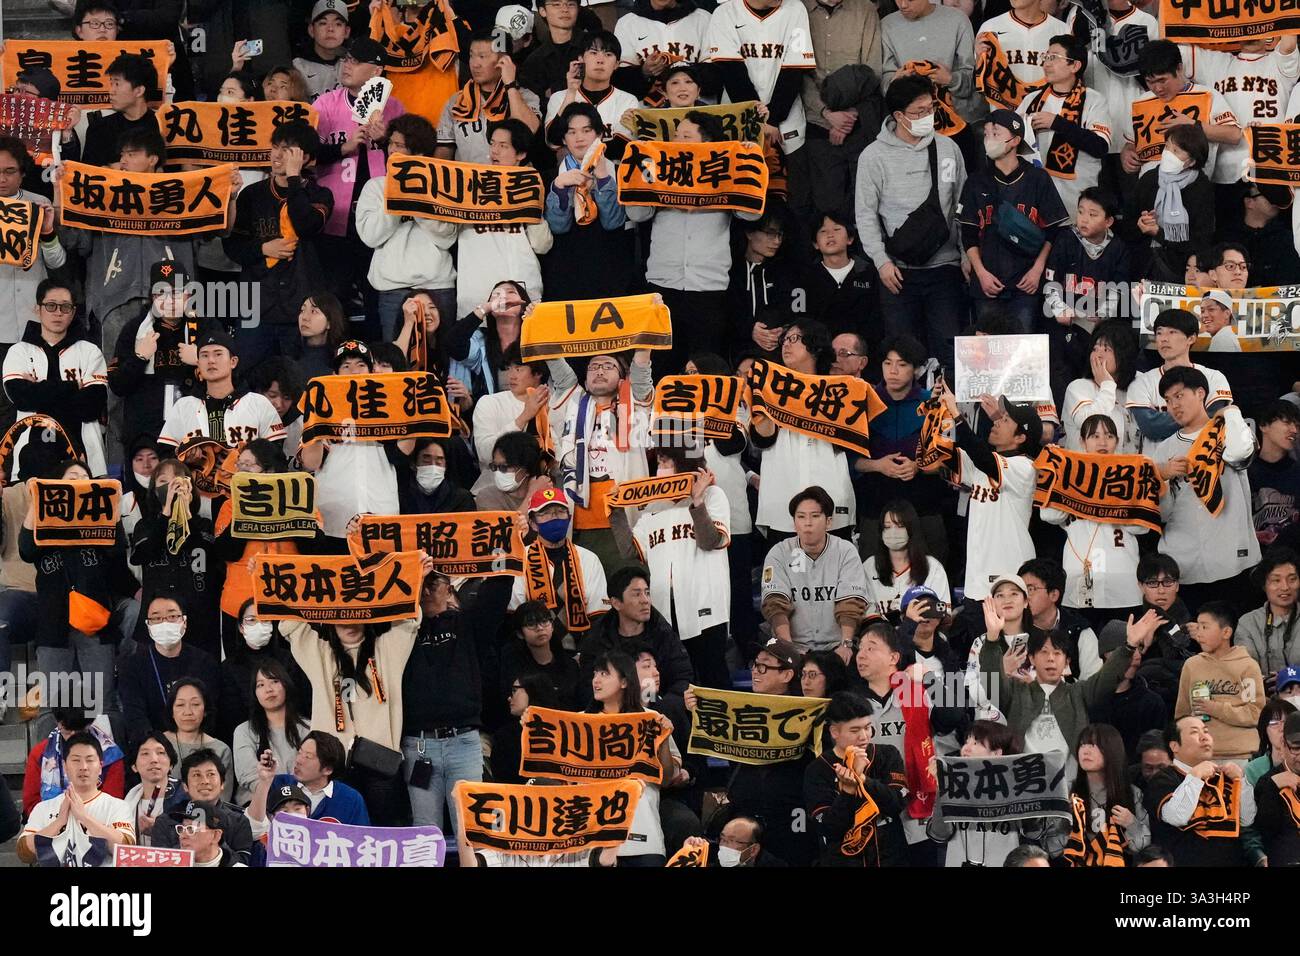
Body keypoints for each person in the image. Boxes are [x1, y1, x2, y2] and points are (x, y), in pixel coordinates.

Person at [283, 554, 432, 823]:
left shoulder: (386, 648)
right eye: (341, 616)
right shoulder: (320, 653)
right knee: (339, 836)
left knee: (384, 838)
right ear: (330, 620)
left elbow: (408, 617)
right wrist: (263, 578)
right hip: (334, 764)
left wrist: (416, 578)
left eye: (355, 614)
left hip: (381, 764)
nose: (349, 623)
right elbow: (291, 624)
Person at [626, 105, 762, 373]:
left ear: (707, 142)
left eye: (686, 137)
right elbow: (637, 213)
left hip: (708, 288)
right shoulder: (660, 167)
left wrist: (747, 163)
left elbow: (750, 215)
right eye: (676, 136)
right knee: (661, 368)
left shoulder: (725, 168)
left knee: (706, 367)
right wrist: (640, 164)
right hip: (662, 285)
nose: (677, 142)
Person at [855, 74, 967, 371]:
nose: (928, 116)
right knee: (901, 356)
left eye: (931, 108)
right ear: (899, 116)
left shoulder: (948, 148)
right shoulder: (873, 156)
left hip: (945, 267)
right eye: (919, 112)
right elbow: (865, 214)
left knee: (949, 349)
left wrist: (968, 255)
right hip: (897, 271)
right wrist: (881, 262)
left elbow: (963, 206)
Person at [19, 458, 135, 720]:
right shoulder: (46, 519)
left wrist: (110, 506)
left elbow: (116, 551)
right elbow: (26, 550)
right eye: (71, 477)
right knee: (51, 707)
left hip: (94, 623)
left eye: (84, 477)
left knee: (103, 703)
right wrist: (38, 499)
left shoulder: (98, 520)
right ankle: (49, 761)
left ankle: (108, 760)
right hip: (52, 624)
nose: (78, 481)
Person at [609, 445, 731, 688]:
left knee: (712, 678)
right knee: (671, 680)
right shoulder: (653, 506)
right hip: (665, 607)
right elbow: (630, 550)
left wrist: (697, 502)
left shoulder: (713, 495)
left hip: (704, 604)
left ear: (684, 465)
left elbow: (710, 541)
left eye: (665, 463)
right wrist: (616, 512)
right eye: (659, 464)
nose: (660, 470)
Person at [688, 638, 818, 865]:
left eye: (764, 667)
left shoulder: (806, 713)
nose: (755, 672)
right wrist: (698, 708)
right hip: (745, 808)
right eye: (755, 665)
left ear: (787, 675)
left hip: (790, 816)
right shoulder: (740, 708)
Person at [980, 603, 1162, 763]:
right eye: (1044, 652)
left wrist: (1129, 646)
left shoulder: (1079, 692)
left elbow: (1107, 677)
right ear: (1032, 659)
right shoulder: (1016, 692)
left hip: (1068, 784)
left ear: (1067, 662)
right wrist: (992, 638)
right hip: (1024, 782)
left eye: (1057, 653)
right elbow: (991, 684)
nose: (1051, 659)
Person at [1151, 367, 1259, 611]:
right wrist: (1163, 477)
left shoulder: (1227, 430)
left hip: (1232, 557)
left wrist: (1231, 412)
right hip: (1184, 562)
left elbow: (1241, 453)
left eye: (1179, 396)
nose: (1173, 405)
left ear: (1200, 393)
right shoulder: (1163, 449)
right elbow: (1162, 515)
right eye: (1168, 401)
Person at [224, 120, 334, 359]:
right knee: (248, 379)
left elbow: (305, 225)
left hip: (299, 308)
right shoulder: (252, 195)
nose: (277, 155)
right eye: (275, 146)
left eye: (287, 150)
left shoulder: (321, 195)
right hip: (256, 306)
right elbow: (232, 247)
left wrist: (294, 179)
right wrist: (264, 248)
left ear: (304, 157)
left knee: (296, 383)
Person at [932, 380, 1041, 620]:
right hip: (976, 582)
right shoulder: (983, 463)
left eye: (1005, 421)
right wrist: (938, 412)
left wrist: (958, 416)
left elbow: (984, 459)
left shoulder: (1025, 467)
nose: (996, 423)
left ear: (1021, 437)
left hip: (1010, 580)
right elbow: (944, 452)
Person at [957, 108, 1069, 331]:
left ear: (1015, 140)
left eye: (996, 133)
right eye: (987, 133)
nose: (989, 139)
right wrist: (980, 273)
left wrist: (1037, 270)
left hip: (1025, 282)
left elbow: (1054, 229)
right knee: (987, 352)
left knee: (1023, 352)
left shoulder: (1037, 178)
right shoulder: (976, 181)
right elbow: (968, 233)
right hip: (987, 282)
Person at [401, 569, 489, 832]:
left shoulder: (466, 623)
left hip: (463, 740)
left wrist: (515, 537)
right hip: (418, 744)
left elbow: (495, 596)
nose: (426, 591)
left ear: (449, 588)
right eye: (420, 584)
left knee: (472, 829)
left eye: (432, 584)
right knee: (424, 833)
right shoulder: (399, 631)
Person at [706, 0, 817, 208]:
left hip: (786, 120)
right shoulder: (725, 12)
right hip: (739, 118)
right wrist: (757, 122)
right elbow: (731, 71)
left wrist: (773, 118)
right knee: (742, 199)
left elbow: (793, 69)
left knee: (794, 200)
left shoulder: (795, 8)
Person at [356, 115, 458, 338]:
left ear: (419, 153)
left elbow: (447, 237)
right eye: (391, 143)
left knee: (441, 358)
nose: (391, 149)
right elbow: (370, 237)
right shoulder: (375, 187)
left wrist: (416, 199)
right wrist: (396, 197)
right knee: (396, 360)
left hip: (437, 285)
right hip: (392, 289)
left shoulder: (440, 185)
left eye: (399, 145)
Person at [752, 322, 856, 538]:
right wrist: (763, 410)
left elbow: (848, 442)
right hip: (782, 497)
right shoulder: (769, 386)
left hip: (830, 495)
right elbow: (762, 439)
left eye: (794, 339)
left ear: (815, 347)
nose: (786, 346)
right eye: (784, 340)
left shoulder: (839, 387)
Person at [558, 349, 653, 571]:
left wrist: (644, 342)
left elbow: (641, 372)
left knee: (627, 593)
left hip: (624, 524)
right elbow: (558, 369)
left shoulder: (635, 404)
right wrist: (540, 327)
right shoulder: (574, 404)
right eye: (593, 367)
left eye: (608, 366)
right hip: (580, 524)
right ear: (585, 379)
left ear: (622, 377)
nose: (599, 371)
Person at [854, 334, 948, 559]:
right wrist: (877, 465)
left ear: (916, 370)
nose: (893, 371)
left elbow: (948, 461)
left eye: (902, 364)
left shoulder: (933, 404)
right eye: (888, 363)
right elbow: (849, 460)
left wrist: (918, 466)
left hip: (923, 505)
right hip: (874, 506)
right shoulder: (862, 403)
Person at [298, 341, 404, 539]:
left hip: (381, 510)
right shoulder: (320, 409)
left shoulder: (390, 407)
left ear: (372, 372)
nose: (354, 371)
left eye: (360, 365)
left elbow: (404, 452)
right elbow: (310, 463)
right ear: (334, 375)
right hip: (333, 515)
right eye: (346, 366)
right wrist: (316, 419)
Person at [3, 279, 108, 476]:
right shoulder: (18, 352)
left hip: (84, 459)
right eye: (50, 306)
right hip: (31, 456)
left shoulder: (90, 352)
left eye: (65, 307)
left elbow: (91, 406)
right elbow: (21, 398)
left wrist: (40, 390)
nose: (58, 312)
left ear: (74, 312)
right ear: (37, 309)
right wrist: (73, 387)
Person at [454, 124, 554, 318]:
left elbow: (542, 245)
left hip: (523, 288)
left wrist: (532, 206)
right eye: (492, 144)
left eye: (503, 146)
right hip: (477, 293)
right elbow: (446, 235)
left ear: (521, 154)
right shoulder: (468, 184)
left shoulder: (531, 186)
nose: (494, 150)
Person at [588, 651, 679, 866]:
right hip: (591, 837)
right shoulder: (579, 722)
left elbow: (666, 779)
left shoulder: (652, 720)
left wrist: (663, 740)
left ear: (624, 682)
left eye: (604, 673)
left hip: (644, 834)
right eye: (594, 674)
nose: (596, 680)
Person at [107, 262, 201, 467]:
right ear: (153, 298)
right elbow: (117, 385)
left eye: (176, 292)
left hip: (191, 432)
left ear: (188, 295)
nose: (169, 300)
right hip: (144, 438)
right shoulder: (134, 330)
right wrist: (139, 358)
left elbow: (228, 379)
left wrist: (201, 360)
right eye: (161, 293)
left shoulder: (204, 328)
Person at [804, 690, 908, 866]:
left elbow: (897, 803)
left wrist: (862, 779)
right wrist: (847, 792)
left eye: (867, 727)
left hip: (890, 857)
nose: (864, 736)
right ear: (835, 732)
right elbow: (828, 828)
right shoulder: (818, 769)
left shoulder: (887, 754)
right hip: (842, 860)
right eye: (855, 730)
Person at [129, 460, 222, 656]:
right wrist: (166, 514)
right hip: (156, 617)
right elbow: (143, 554)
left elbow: (204, 553)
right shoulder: (145, 525)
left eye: (177, 480)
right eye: (163, 481)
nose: (171, 486)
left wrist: (185, 514)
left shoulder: (203, 524)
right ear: (155, 490)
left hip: (199, 616)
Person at [761, 486, 868, 654]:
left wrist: (845, 644)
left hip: (837, 646)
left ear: (828, 521)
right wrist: (788, 647)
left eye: (815, 516)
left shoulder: (845, 551)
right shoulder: (779, 552)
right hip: (794, 645)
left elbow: (851, 603)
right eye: (801, 517)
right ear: (794, 522)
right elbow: (775, 604)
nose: (807, 523)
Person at [544, 103, 635, 301]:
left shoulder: (621, 173)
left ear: (599, 134)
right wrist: (559, 188)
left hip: (612, 273)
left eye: (586, 130)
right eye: (571, 132)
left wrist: (603, 179)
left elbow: (614, 222)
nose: (579, 138)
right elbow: (557, 227)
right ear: (563, 139)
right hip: (566, 274)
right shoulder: (551, 178)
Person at [1016, 35, 1110, 223]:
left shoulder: (1093, 99)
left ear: (1075, 65)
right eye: (1046, 57)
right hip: (1034, 195)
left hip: (1076, 199)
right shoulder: (1031, 100)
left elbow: (1099, 146)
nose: (1046, 64)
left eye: (1054, 58)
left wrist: (1057, 123)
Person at [1144, 715, 1256, 866]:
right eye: (1194, 732)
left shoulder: (1224, 777)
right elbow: (1176, 816)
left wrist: (1241, 781)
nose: (1204, 737)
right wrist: (1195, 776)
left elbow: (1247, 819)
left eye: (1206, 731)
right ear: (1174, 746)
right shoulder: (1162, 779)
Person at [157, 325, 285, 451]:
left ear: (233, 362)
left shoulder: (259, 403)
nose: (211, 360)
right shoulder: (183, 406)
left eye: (218, 354)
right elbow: (166, 456)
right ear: (198, 364)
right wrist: (185, 458)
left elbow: (276, 455)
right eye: (204, 355)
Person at [578, 564, 693, 703]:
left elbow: (682, 678)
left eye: (647, 593)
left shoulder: (662, 633)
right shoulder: (598, 638)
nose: (645, 600)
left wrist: (664, 708)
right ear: (616, 603)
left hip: (658, 713)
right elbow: (587, 686)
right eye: (637, 594)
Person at [17, 732, 134, 866]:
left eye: (90, 760)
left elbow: (126, 850)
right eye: (76, 760)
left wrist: (84, 818)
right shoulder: (44, 807)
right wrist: (59, 822)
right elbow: (24, 853)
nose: (83, 767)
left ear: (100, 766)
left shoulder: (118, 806)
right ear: (65, 766)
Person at [1125, 308, 1232, 450]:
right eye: (1159, 333)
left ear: (1191, 338)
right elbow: (1151, 427)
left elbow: (1213, 419)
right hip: (1158, 467)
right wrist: (1197, 415)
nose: (1164, 338)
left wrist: (1166, 418)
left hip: (1201, 464)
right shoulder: (1142, 382)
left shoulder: (1214, 378)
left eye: (1172, 332)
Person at [510, 487, 610, 638]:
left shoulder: (589, 558)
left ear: (569, 518)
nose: (554, 517)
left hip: (582, 648)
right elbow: (515, 614)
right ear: (533, 523)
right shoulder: (519, 559)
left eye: (560, 512)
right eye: (545, 513)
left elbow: (599, 615)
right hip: (533, 649)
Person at [1174, 602, 1265, 764]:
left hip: (1241, 756)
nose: (1199, 634)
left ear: (1226, 632)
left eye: (1205, 627)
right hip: (1200, 757)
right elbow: (1182, 714)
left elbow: (1255, 713)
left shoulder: (1247, 666)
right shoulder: (1192, 665)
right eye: (1198, 627)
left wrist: (1215, 708)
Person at [928, 720, 1027, 866]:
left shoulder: (1017, 789)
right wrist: (943, 788)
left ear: (997, 753)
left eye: (975, 743)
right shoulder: (954, 784)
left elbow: (1033, 833)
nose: (965, 749)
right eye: (966, 742)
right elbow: (939, 834)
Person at [1126, 122, 1216, 283]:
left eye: (1176, 151)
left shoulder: (1202, 189)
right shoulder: (1149, 179)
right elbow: (1126, 223)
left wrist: (1159, 233)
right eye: (1167, 147)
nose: (1168, 154)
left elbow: (1202, 242)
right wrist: (1141, 223)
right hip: (1142, 264)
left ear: (1192, 161)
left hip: (1181, 271)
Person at [0, 137, 65, 350]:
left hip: (35, 316)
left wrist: (47, 232)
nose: (2, 178)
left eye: (10, 171)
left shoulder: (39, 204)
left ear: (22, 173)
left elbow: (56, 263)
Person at [1044, 193, 1132, 347]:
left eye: (1093, 215)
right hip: (1061, 321)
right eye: (1080, 212)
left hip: (1096, 326)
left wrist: (1104, 313)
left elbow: (1119, 288)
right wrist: (1059, 308)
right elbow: (1050, 281)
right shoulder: (1065, 239)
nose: (1084, 219)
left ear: (1108, 221)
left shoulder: (1118, 248)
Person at [1061, 723, 1150, 864]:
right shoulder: (1066, 791)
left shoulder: (1132, 793)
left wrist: (1131, 823)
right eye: (1082, 745)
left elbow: (1142, 847)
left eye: (1093, 745)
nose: (1085, 751)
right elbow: (1052, 848)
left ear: (1112, 750)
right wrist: (1063, 819)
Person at [232, 660, 310, 806]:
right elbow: (247, 775)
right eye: (260, 685)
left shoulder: (308, 728)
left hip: (302, 803)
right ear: (255, 693)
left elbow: (314, 774)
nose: (268, 689)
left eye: (274, 681)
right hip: (258, 803)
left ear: (286, 684)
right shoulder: (244, 731)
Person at [22, 710, 125, 818]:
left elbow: (113, 806)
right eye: (67, 731)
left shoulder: (111, 755)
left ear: (90, 723)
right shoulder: (40, 754)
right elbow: (31, 805)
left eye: (79, 731)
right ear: (58, 723)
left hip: (97, 826)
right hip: (48, 824)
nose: (73, 737)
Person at [863, 499, 951, 620]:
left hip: (921, 635)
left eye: (900, 526)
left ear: (911, 529)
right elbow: (865, 617)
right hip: (881, 635)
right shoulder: (869, 566)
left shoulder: (933, 567)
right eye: (887, 526)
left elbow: (944, 616)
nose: (893, 532)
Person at [1017, 557, 1104, 679]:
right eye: (1020, 590)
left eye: (1031, 589)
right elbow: (991, 690)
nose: (1024, 596)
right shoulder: (1006, 628)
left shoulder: (1079, 631)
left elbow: (1093, 688)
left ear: (1054, 595)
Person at [1060, 321, 1139, 453]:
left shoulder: (1138, 383)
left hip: (1127, 469)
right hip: (1086, 469)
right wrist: (1107, 385)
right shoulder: (1078, 387)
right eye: (1095, 349)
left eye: (1106, 349)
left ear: (1124, 354)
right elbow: (1089, 423)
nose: (1098, 355)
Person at [268, 731, 370, 826]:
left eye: (308, 757)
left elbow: (361, 838)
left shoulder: (351, 799)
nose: (298, 760)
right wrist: (264, 782)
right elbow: (255, 827)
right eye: (299, 752)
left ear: (327, 770)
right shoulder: (277, 784)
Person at [78, 53, 158, 169]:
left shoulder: (162, 125)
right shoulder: (99, 128)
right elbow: (88, 174)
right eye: (111, 84)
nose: (111, 91)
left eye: (117, 84)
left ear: (139, 91)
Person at [1237, 549, 1300, 688]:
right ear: (1264, 585)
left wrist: (1290, 677)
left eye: (1292, 579)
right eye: (1276, 580)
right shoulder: (1247, 623)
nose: (1285, 587)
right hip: (1262, 699)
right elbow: (1244, 669)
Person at [500, 603, 579, 710]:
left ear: (552, 626)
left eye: (545, 621)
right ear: (520, 633)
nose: (540, 628)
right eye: (531, 624)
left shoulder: (570, 665)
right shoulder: (513, 667)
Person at [163, 678, 233, 800]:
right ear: (171, 711)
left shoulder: (221, 749)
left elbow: (223, 800)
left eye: (195, 704)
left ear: (205, 710)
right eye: (180, 705)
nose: (188, 712)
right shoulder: (158, 745)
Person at [491, 673, 558, 785]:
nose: (509, 698)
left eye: (514, 690)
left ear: (533, 691)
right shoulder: (505, 737)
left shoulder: (562, 732)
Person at [1248, 408, 1300, 550]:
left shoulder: (1297, 471)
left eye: (1296, 425)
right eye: (1287, 422)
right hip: (1256, 563)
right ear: (1264, 426)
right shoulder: (1244, 473)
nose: (1294, 430)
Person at [1253, 710, 1300, 866]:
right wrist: (1272, 788)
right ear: (1283, 745)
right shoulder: (1268, 782)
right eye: (1296, 748)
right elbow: (1267, 832)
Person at [122, 731, 183, 846]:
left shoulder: (185, 796)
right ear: (134, 766)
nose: (154, 760)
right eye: (145, 754)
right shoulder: (127, 801)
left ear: (171, 764)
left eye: (160, 752)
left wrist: (160, 830)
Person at [294, 0, 350, 97]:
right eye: (323, 23)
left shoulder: (353, 64)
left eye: (338, 24)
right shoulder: (298, 67)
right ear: (311, 30)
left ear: (346, 32)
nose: (330, 29)